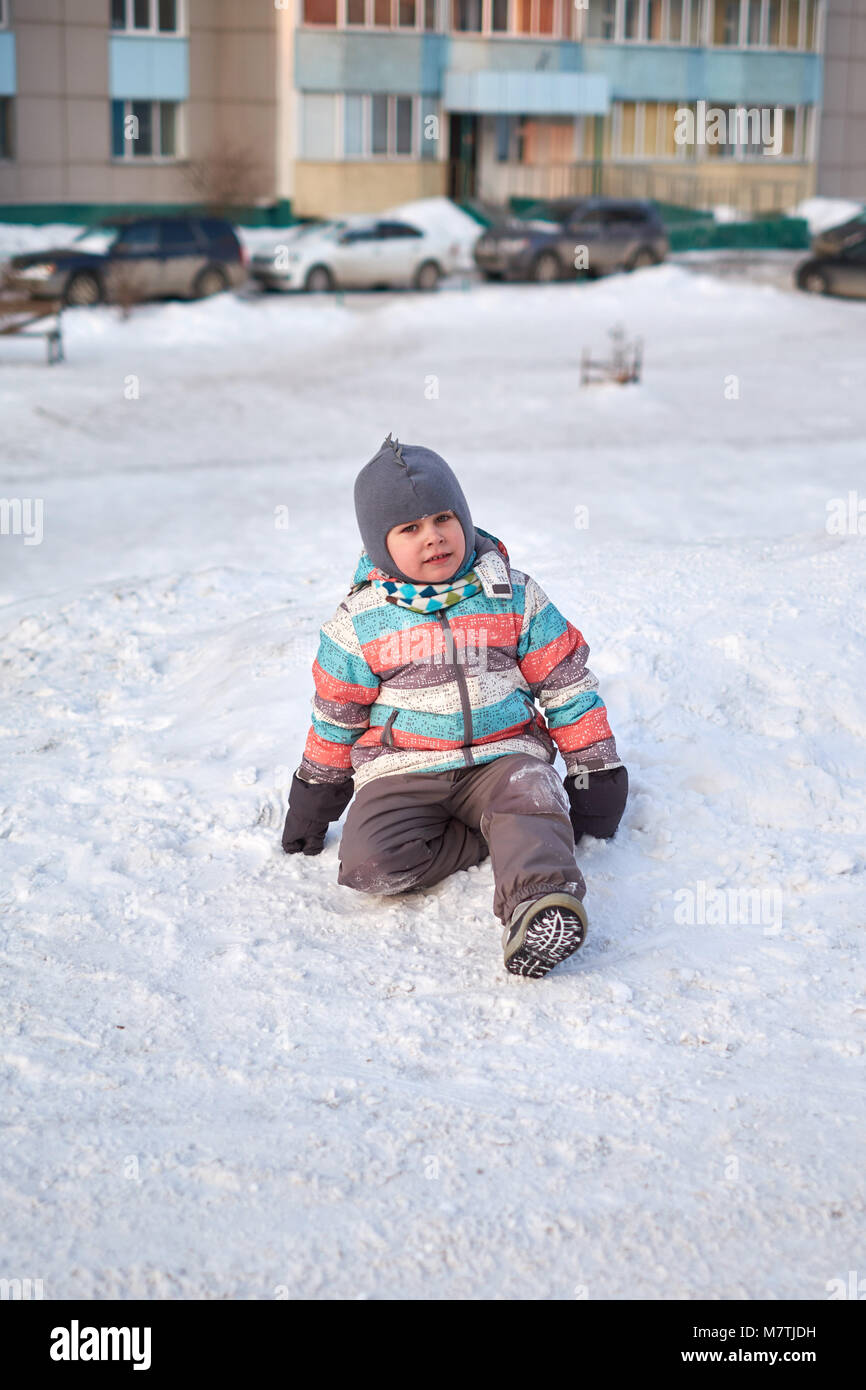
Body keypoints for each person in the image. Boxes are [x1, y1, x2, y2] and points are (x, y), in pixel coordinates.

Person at [282, 434, 628, 978]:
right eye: (410, 528)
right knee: (370, 866)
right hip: (404, 770)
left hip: (502, 759)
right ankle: (496, 832)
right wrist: (315, 797)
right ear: (380, 543)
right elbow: (336, 716)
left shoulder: (514, 597)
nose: (434, 537)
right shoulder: (359, 622)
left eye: (443, 517)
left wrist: (595, 772)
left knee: (531, 795)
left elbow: (566, 686)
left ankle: (540, 903)